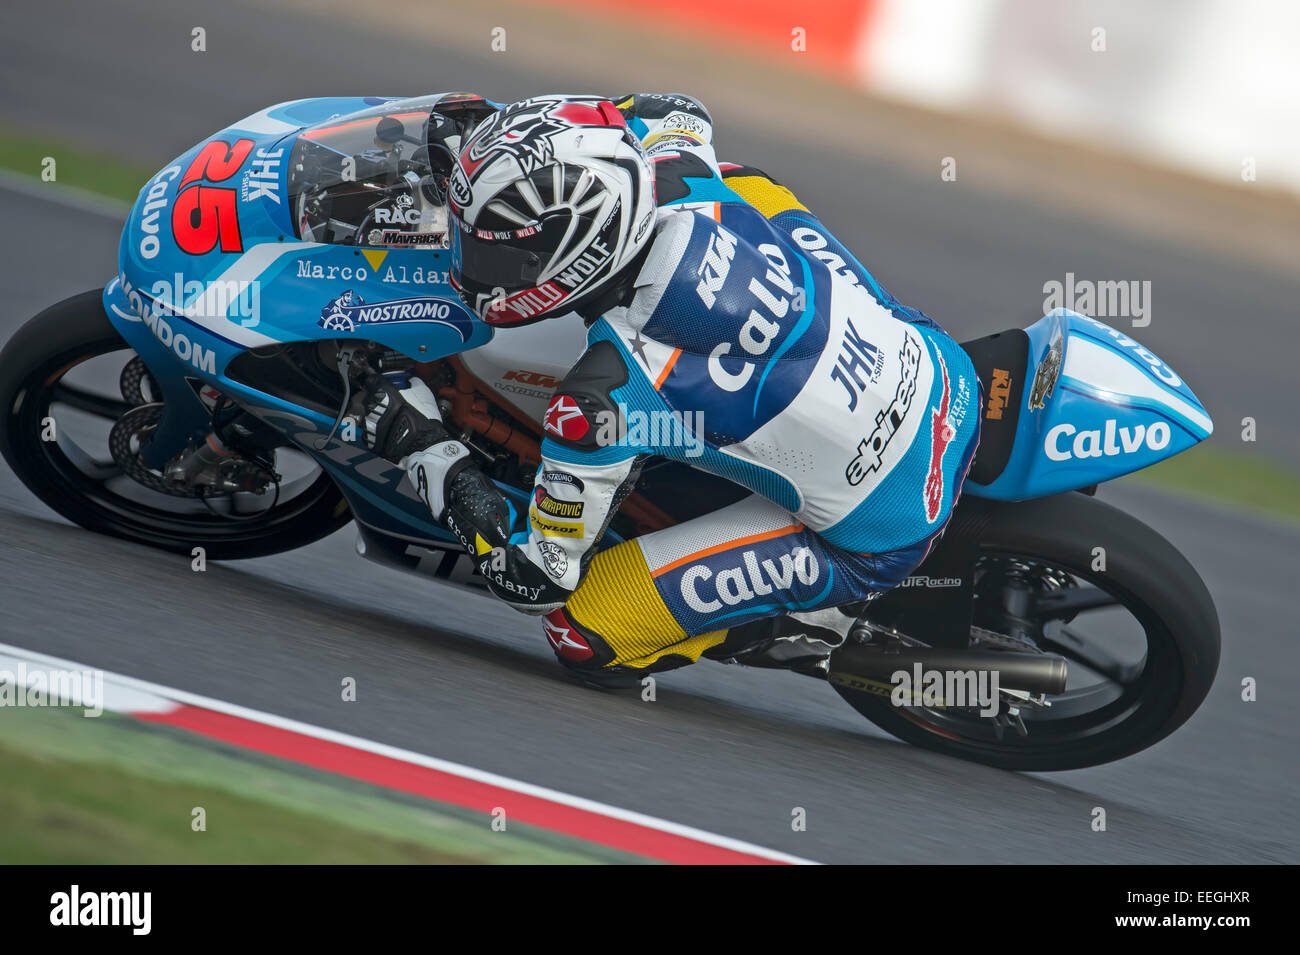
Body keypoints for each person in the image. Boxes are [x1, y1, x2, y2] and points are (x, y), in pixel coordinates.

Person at [363, 93, 981, 685]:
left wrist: (424, 450)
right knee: (743, 183)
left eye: (499, 258)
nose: (474, 269)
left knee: (580, 634)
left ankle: (804, 619)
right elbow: (670, 108)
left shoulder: (602, 393)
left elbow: (538, 578)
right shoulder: (683, 181)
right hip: (942, 370)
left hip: (886, 525)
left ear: (577, 253)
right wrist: (512, 139)